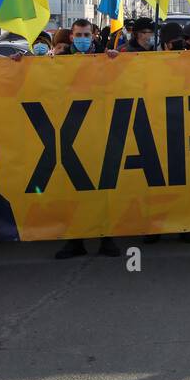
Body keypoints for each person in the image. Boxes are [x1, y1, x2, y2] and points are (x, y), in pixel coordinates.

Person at [54, 19, 123, 259]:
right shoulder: (57, 62)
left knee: (103, 189)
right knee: (73, 189)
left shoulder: (105, 59)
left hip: (100, 130)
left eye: (86, 34)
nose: (83, 38)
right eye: (78, 34)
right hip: (70, 131)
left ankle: (106, 239)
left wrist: (116, 61)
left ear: (93, 36)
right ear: (71, 37)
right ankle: (75, 241)